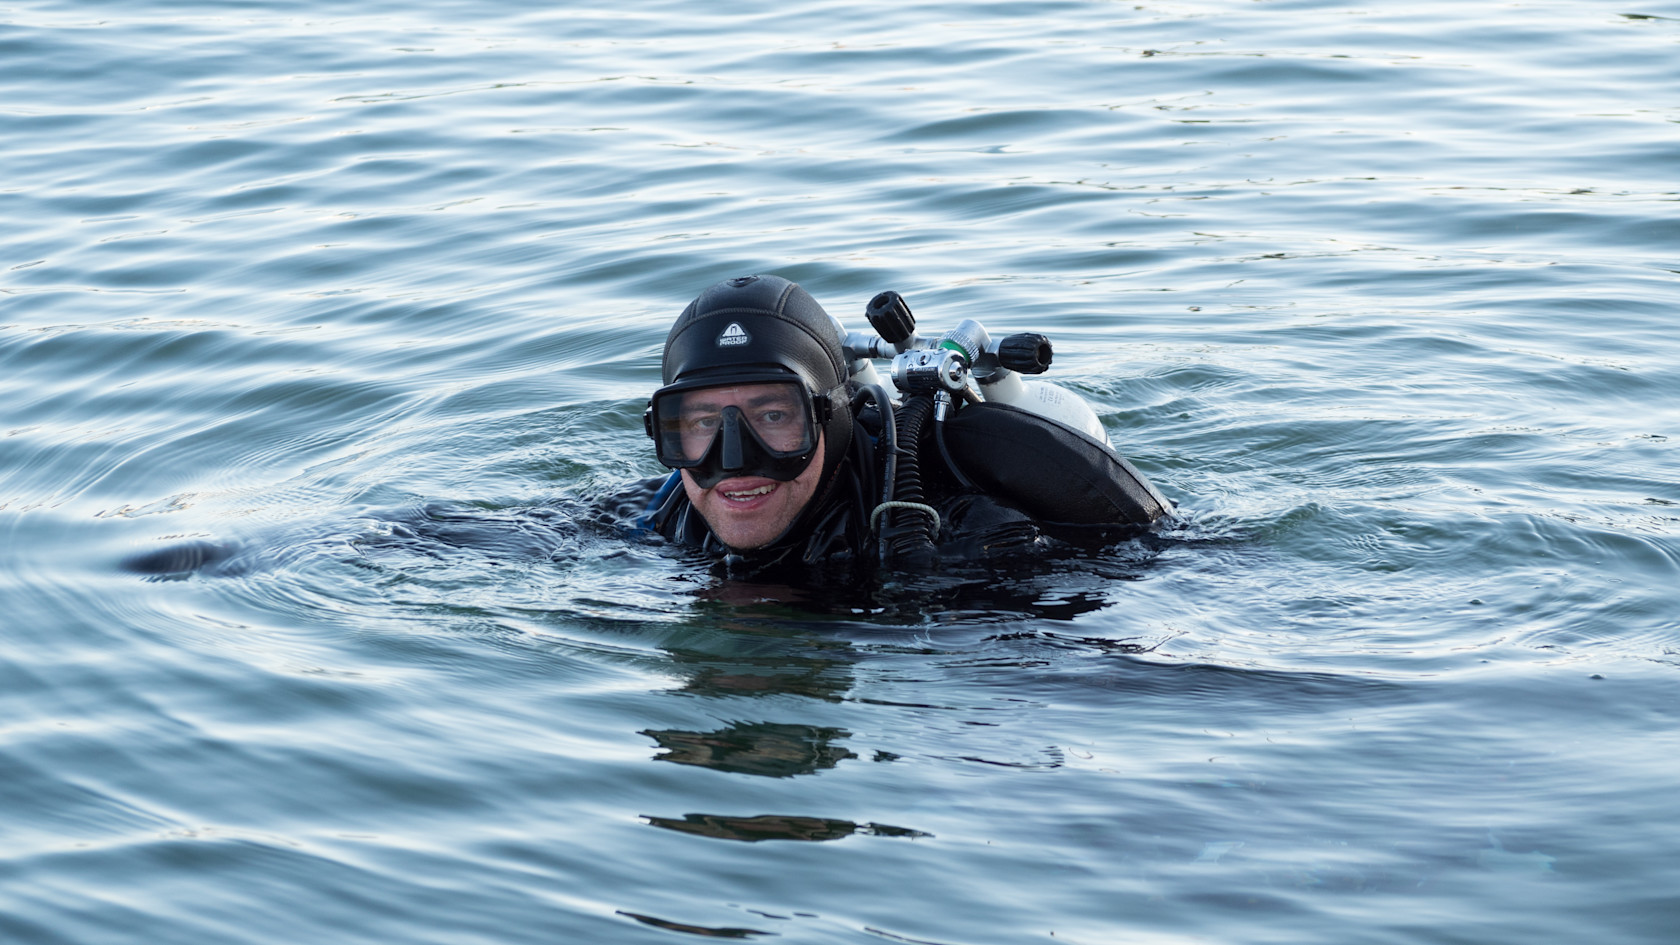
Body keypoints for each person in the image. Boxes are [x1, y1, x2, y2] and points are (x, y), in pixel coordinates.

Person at [626, 274, 1173, 577]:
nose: (734, 459)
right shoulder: (663, 514)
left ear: (833, 416)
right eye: (702, 423)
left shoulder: (975, 539)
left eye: (774, 415)